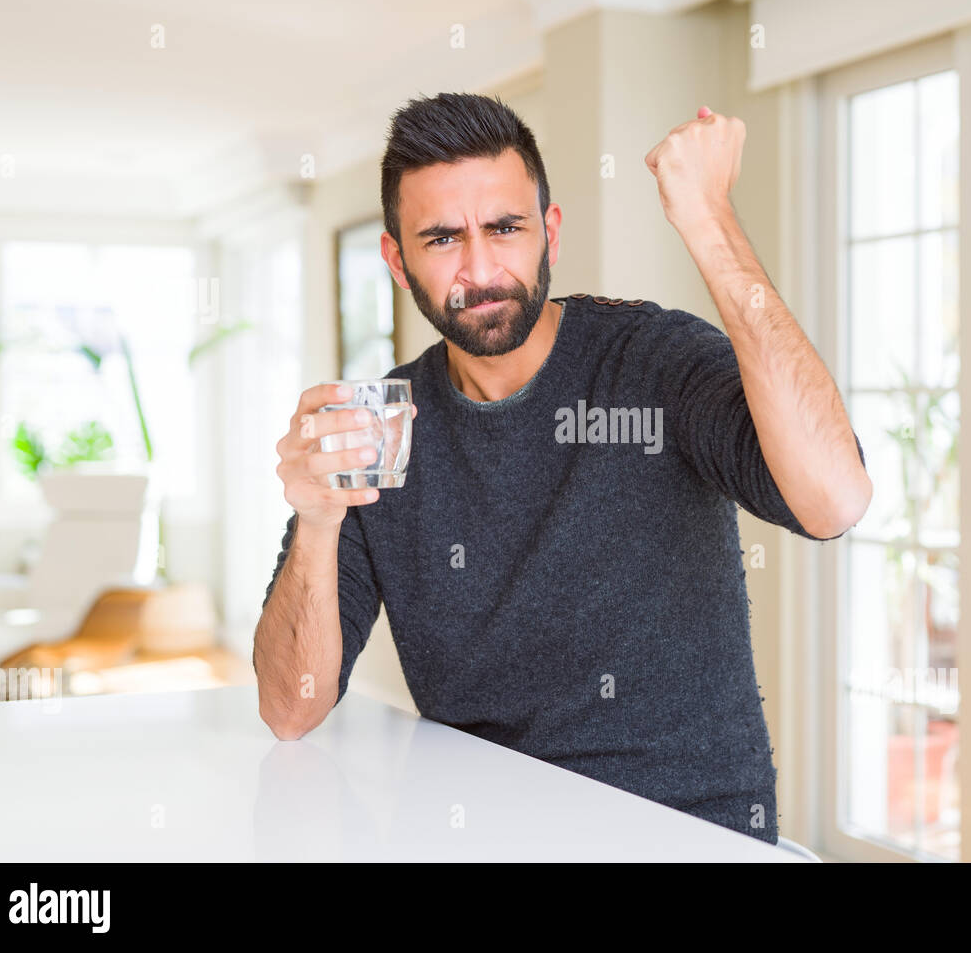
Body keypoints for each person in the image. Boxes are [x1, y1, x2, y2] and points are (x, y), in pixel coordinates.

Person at [255, 92, 871, 845]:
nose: (481, 268)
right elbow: (292, 707)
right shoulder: (383, 431)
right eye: (443, 238)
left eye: (506, 228)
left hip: (688, 837)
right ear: (397, 259)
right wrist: (318, 525)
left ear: (549, 231)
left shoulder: (654, 361)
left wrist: (708, 218)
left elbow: (835, 500)